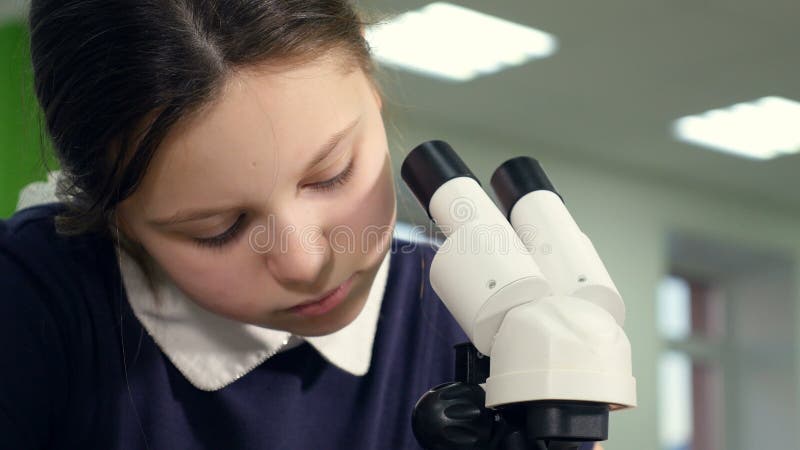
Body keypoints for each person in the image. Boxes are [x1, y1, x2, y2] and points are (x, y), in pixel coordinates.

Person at [0, 1, 601, 449]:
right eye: (217, 229)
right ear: (114, 216)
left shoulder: (466, 310)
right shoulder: (31, 301)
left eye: (332, 175)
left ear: (370, 80)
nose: (307, 262)